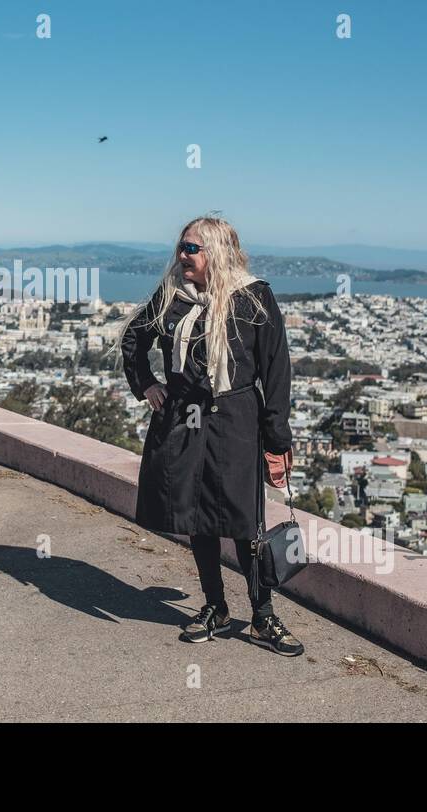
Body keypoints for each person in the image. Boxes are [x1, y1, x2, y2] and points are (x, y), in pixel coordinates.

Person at [119, 215, 302, 655]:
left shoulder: (253, 298)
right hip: (183, 418)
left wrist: (277, 441)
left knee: (246, 524)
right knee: (196, 518)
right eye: (181, 247)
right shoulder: (171, 298)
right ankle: (215, 607)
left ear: (217, 252)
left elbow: (277, 372)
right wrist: (146, 384)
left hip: (236, 421)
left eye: (192, 248)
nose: (182, 255)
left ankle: (262, 617)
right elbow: (132, 339)